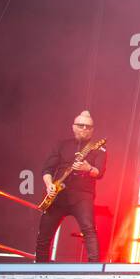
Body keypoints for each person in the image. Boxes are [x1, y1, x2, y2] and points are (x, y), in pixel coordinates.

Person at [35, 110, 106, 262]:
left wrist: (88, 169)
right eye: (81, 125)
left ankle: (93, 270)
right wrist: (49, 185)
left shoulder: (98, 148)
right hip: (58, 195)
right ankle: (40, 271)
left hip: (82, 195)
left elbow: (99, 173)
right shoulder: (61, 145)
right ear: (73, 127)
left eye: (88, 126)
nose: (84, 129)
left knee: (89, 230)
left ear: (93, 130)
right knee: (44, 236)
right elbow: (47, 169)